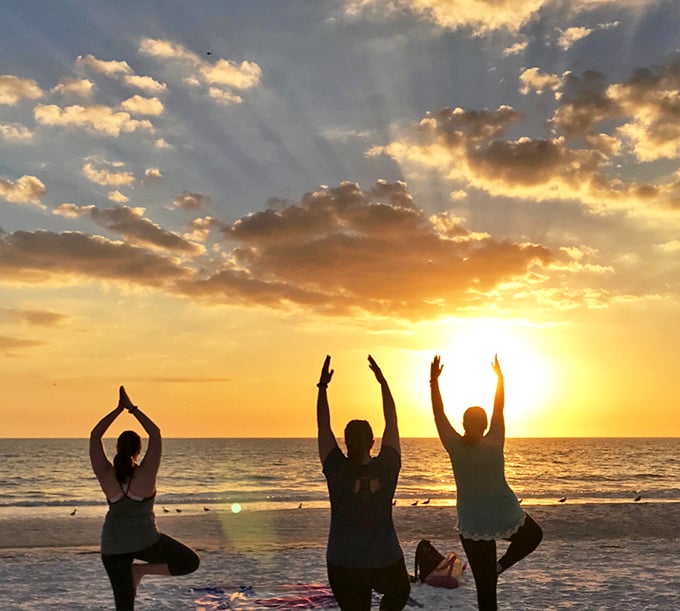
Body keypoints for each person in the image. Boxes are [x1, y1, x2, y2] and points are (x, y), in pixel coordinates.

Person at [429, 355, 542, 611]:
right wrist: (500, 380)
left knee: (486, 588)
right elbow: (498, 409)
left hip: (474, 521)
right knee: (533, 536)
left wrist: (433, 382)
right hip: (501, 513)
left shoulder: (456, 446)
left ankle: (496, 568)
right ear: (484, 425)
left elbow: (438, 414)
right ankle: (499, 566)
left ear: (464, 424)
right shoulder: (494, 440)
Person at [90, 386, 199, 610]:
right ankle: (140, 570)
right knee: (189, 562)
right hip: (146, 542)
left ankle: (137, 571)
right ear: (139, 450)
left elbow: (95, 435)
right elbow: (156, 433)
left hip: (113, 547)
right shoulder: (146, 473)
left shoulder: (105, 473)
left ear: (117, 448)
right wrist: (132, 409)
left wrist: (117, 410)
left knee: (124, 607)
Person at [317, 355, 411, 611]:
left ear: (346, 441)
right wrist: (383, 383)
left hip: (342, 560)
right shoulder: (388, 466)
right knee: (400, 592)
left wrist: (322, 388)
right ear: (373, 441)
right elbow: (392, 421)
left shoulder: (336, 467)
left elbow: (323, 425)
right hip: (385, 558)